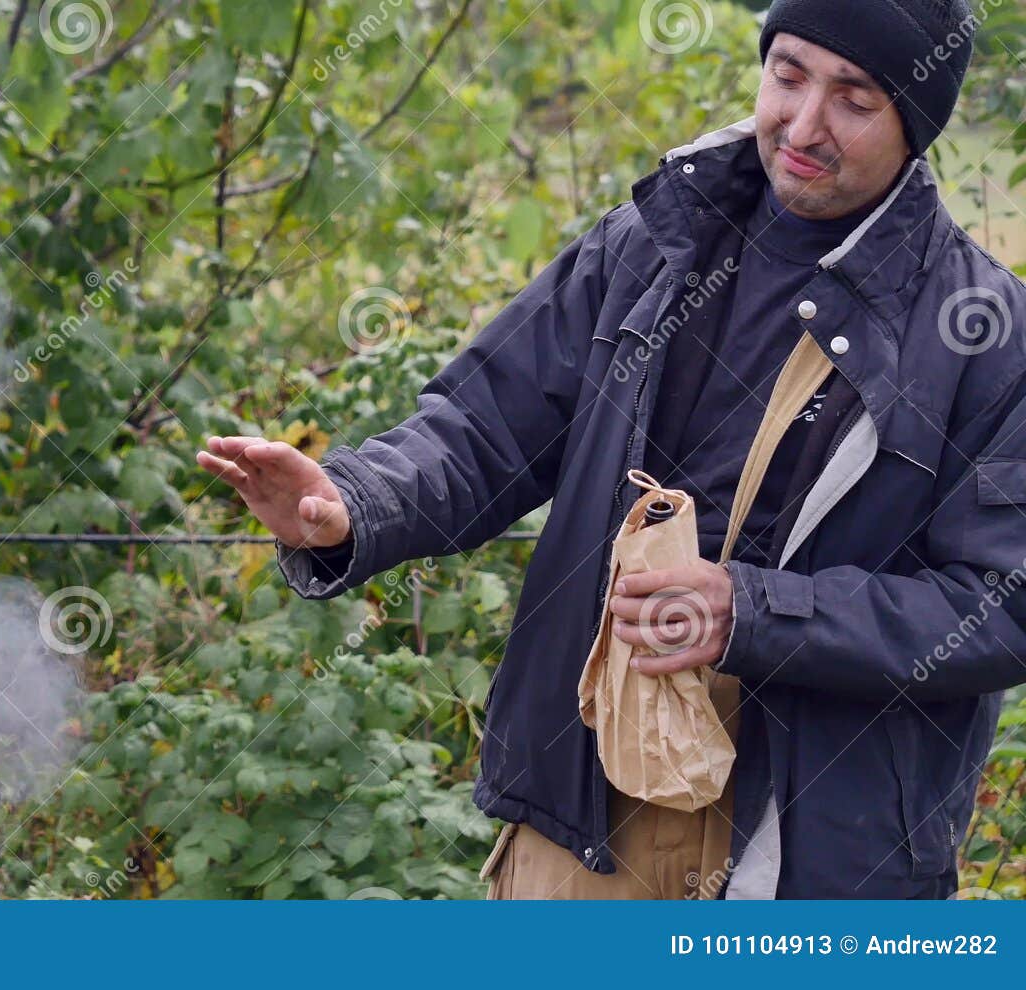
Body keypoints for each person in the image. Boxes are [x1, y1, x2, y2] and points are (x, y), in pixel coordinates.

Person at [197, 0, 1026, 899]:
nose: (803, 123)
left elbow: (1000, 609)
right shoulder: (651, 243)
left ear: (918, 122)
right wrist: (355, 503)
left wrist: (754, 612)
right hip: (590, 812)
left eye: (855, 99)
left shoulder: (981, 335)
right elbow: (484, 428)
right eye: (787, 75)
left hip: (814, 852)